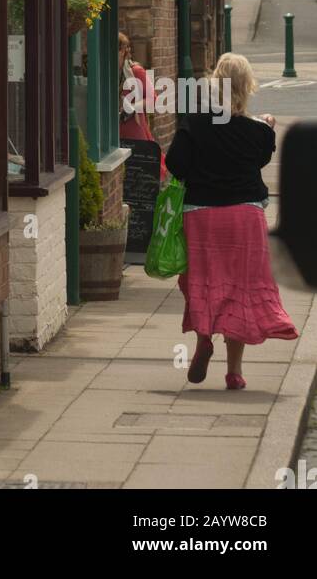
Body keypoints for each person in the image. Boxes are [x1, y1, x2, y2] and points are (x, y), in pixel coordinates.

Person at [165, 52, 298, 390]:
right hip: (245, 216)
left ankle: (204, 337)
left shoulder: (194, 121)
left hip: (202, 215)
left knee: (202, 281)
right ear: (246, 86)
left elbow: (176, 164)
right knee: (239, 289)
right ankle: (234, 372)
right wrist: (266, 127)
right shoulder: (255, 131)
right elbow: (261, 154)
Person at [118, 32, 167, 181]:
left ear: (122, 51)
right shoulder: (104, 73)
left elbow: (153, 100)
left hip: (135, 133)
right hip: (114, 136)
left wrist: (131, 106)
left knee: (142, 180)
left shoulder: (136, 72)